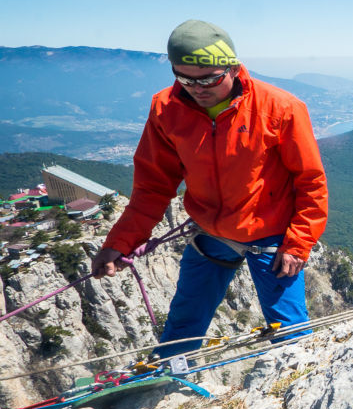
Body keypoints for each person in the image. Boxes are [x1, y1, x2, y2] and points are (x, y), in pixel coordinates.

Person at [91, 19, 328, 358]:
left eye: (209, 79)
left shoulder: (280, 108)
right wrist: (119, 243)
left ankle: (302, 378)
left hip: (271, 238)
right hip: (210, 233)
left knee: (289, 332)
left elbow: (310, 181)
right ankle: (166, 378)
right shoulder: (165, 108)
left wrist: (299, 243)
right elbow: (152, 187)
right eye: (184, 78)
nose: (197, 88)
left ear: (232, 67)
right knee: (183, 322)